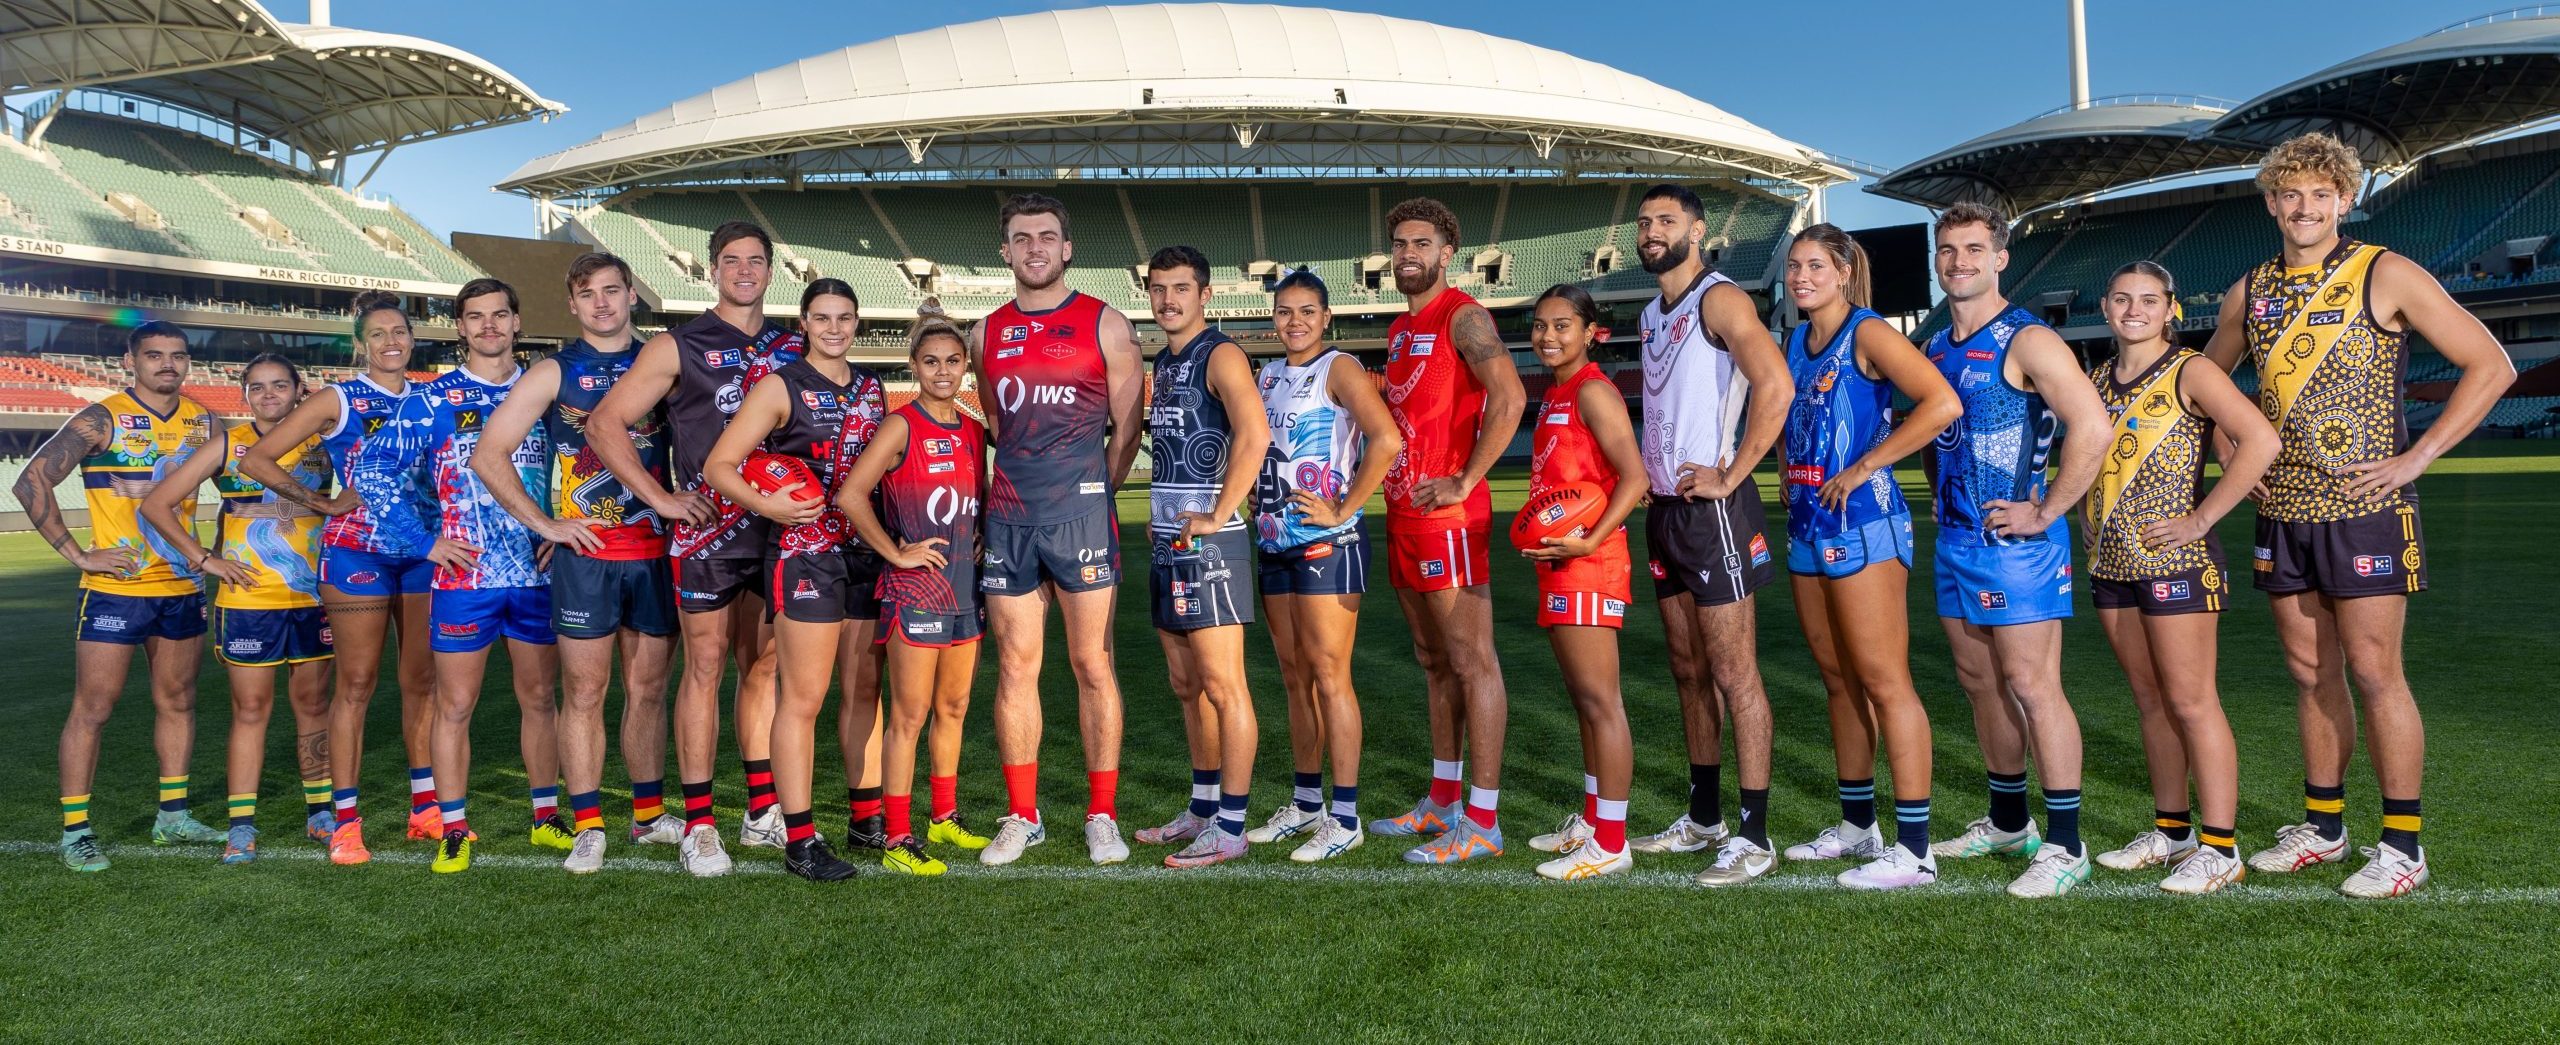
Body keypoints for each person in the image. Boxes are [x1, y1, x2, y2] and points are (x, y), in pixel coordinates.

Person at [2201, 132, 2515, 897]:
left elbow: (2493, 364)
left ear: (2344, 200)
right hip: (2284, 513)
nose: (2304, 208)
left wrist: (2415, 460)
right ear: (2271, 202)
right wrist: (2231, 460)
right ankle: (2325, 827)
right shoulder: (2250, 290)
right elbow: (2201, 385)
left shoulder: (2386, 272)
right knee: (2310, 674)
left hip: (2367, 505)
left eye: (2320, 194)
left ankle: (2403, 845)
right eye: (2289, 194)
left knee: (2375, 672)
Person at [585, 221, 809, 876]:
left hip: (777, 529)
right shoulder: (679, 345)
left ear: (772, 271)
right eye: (731, 260)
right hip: (708, 531)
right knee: (706, 668)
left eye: (756, 260)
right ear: (712, 269)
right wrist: (660, 499)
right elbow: (604, 423)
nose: (744, 270)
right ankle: (701, 825)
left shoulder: (791, 346)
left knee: (765, 667)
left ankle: (760, 810)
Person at [1916, 203, 2112, 899]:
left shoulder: (2026, 339)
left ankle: (2066, 844)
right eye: (1947, 248)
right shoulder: (1936, 347)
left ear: (2001, 258)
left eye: (1973, 249)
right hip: (1958, 540)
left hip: (2016, 545)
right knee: (1980, 683)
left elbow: (2093, 423)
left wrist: (2049, 508)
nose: (1958, 260)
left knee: (2033, 685)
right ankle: (2008, 821)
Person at [471, 251, 679, 874]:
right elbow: (489, 454)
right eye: (589, 294)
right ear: (572, 303)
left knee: (648, 691)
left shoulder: (664, 361)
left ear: (632, 294)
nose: (603, 303)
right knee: (585, 692)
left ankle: (647, 816)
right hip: (586, 557)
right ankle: (588, 823)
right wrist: (546, 524)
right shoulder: (554, 372)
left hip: (654, 554)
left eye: (613, 291)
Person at [1773, 224, 1962, 891]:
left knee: (1886, 681)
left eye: (1816, 265)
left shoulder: (1870, 332)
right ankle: (1858, 826)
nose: (1802, 276)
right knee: (1837, 678)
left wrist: (1866, 464)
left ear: (1846, 272)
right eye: (1794, 266)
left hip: (1866, 525)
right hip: (1807, 525)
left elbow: (1941, 403)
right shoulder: (1795, 340)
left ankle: (1915, 849)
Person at [354, 279, 561, 874]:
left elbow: (583, 463)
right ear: (461, 328)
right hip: (464, 579)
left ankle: (546, 818)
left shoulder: (546, 390)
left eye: (500, 314)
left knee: (541, 698)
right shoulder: (431, 399)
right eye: (476, 318)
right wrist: (424, 542)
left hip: (536, 577)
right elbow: (371, 470)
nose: (489, 326)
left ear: (518, 321)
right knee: (455, 705)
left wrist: (558, 530)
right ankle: (453, 828)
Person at [2085, 261, 2278, 895]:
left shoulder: (2191, 369)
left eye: (2148, 300)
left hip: (2178, 565)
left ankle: (2221, 847)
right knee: (2151, 702)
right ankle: (2172, 832)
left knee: (2193, 702)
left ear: (2171, 308)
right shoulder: (2094, 377)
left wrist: (2202, 518)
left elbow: (2258, 440)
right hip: (2113, 564)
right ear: (2106, 307)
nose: (2133, 309)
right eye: (2121, 298)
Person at [1623, 183, 1794, 886]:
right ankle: (1704, 818)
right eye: (1644, 222)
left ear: (1697, 230)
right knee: (1688, 671)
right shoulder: (1648, 310)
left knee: (1734, 672)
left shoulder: (1718, 299)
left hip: (1712, 510)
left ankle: (1754, 837)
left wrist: (1731, 472)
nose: (1652, 230)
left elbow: (1774, 385)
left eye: (1666, 219)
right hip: (1665, 513)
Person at [969, 193, 1147, 867]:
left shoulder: (1105, 324)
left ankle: (1101, 813)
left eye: (1047, 236)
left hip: (1081, 516)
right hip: (1011, 518)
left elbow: (1128, 427)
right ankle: (1022, 814)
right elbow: (994, 425)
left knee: (1091, 663)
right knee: (1015, 667)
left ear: (1067, 248)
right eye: (1022, 237)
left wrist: (1095, 488)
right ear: (1006, 252)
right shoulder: (986, 333)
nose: (1035, 247)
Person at [240, 292, 442, 865]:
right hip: (358, 556)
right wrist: (321, 502)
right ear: (362, 344)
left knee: (422, 681)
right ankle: (347, 822)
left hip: (422, 553)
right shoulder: (339, 399)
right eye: (377, 334)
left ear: (412, 338)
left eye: (399, 331)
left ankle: (425, 809)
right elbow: (256, 459)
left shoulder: (431, 400)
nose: (390, 342)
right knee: (356, 685)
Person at [701, 278, 888, 882]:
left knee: (863, 691)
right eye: (822, 317)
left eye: (845, 317)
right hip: (805, 554)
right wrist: (771, 507)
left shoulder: (870, 388)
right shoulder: (781, 385)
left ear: (857, 323)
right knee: (803, 698)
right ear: (804, 323)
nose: (834, 328)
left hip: (863, 551)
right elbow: (718, 465)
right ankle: (800, 839)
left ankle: (867, 819)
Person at [21, 321, 220, 870]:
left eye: (178, 356)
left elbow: (245, 483)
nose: (168, 365)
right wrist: (78, 556)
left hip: (181, 588)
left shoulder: (205, 421)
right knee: (94, 707)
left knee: (178, 702)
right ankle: (76, 830)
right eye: (154, 355)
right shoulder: (100, 418)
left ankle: (173, 817)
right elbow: (31, 481)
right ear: (130, 360)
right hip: (117, 590)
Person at [1368, 197, 1526, 866]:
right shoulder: (1403, 330)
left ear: (1446, 253)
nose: (1409, 253)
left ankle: (1483, 820)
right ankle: (1442, 800)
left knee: (1472, 660)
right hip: (1404, 514)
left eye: (1421, 243)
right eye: (1400, 243)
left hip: (1449, 518)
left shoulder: (1463, 315)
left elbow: (1511, 395)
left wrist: (1465, 477)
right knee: (1434, 662)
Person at [139, 354, 338, 864]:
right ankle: (242, 826)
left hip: (314, 597)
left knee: (314, 707)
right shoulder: (229, 443)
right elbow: (157, 504)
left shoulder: (327, 439)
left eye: (279, 385)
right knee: (251, 711)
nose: (268, 395)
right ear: (245, 395)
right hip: (248, 600)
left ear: (300, 390)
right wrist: (204, 559)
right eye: (257, 388)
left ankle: (320, 813)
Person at [1243, 268, 1398, 863]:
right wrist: (1260, 490)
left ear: (1326, 317)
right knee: (1295, 677)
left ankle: (1346, 815)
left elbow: (1385, 439)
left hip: (1326, 546)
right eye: (1284, 311)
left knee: (1331, 677)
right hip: (1275, 541)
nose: (1294, 321)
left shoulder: (1340, 368)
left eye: (1306, 310)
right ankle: (1306, 804)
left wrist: (1342, 509)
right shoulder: (1269, 374)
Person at [1125, 246, 1270, 869]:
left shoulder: (1222, 353)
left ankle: (1232, 827)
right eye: (1158, 288)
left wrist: (1217, 514)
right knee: (1186, 685)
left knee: (1223, 684)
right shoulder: (1166, 357)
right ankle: (1203, 808)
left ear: (1205, 294)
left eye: (1181, 288)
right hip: (1168, 541)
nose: (1168, 300)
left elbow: (1254, 432)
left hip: (1211, 543)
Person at [839, 301, 993, 876]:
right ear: (913, 365)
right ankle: (898, 836)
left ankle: (943, 817)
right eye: (931, 362)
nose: (943, 372)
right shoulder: (902, 425)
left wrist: (979, 534)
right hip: (915, 594)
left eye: (953, 361)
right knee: (908, 715)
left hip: (963, 590)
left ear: (964, 369)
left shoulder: (975, 431)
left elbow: (974, 500)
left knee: (953, 709)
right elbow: (852, 494)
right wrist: (895, 552)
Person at [1513, 286, 1649, 882]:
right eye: (1540, 326)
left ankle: (1612, 841)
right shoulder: (1555, 393)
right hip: (1563, 561)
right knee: (1584, 703)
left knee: (1602, 703)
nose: (1548, 336)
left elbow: (1635, 475)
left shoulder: (1592, 390)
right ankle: (1594, 822)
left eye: (1562, 326)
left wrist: (1591, 540)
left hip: (1591, 562)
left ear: (1591, 331)